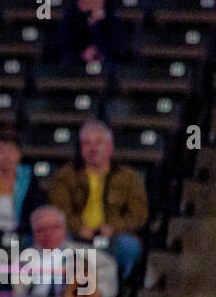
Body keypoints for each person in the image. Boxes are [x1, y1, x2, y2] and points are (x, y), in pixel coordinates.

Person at [47, 120, 148, 284]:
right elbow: (59, 210)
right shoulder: (65, 176)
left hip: (113, 237)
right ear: (80, 149)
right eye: (87, 143)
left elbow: (138, 215)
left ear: (110, 147)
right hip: (76, 236)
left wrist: (112, 228)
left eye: (98, 143)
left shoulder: (129, 178)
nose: (92, 149)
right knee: (51, 240)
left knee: (128, 246)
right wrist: (79, 228)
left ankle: (116, 289)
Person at [27, 204, 119, 297]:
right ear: (33, 233)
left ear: (65, 230)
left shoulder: (90, 256)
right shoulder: (23, 261)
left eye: (54, 228)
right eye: (41, 230)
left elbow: (107, 290)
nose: (48, 234)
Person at [59, 0, 130, 68]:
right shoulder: (71, 17)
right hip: (76, 66)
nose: (80, 3)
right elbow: (64, 46)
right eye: (80, 0)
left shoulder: (114, 19)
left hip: (107, 65)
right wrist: (82, 55)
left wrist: (96, 25)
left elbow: (117, 49)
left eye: (85, 1)